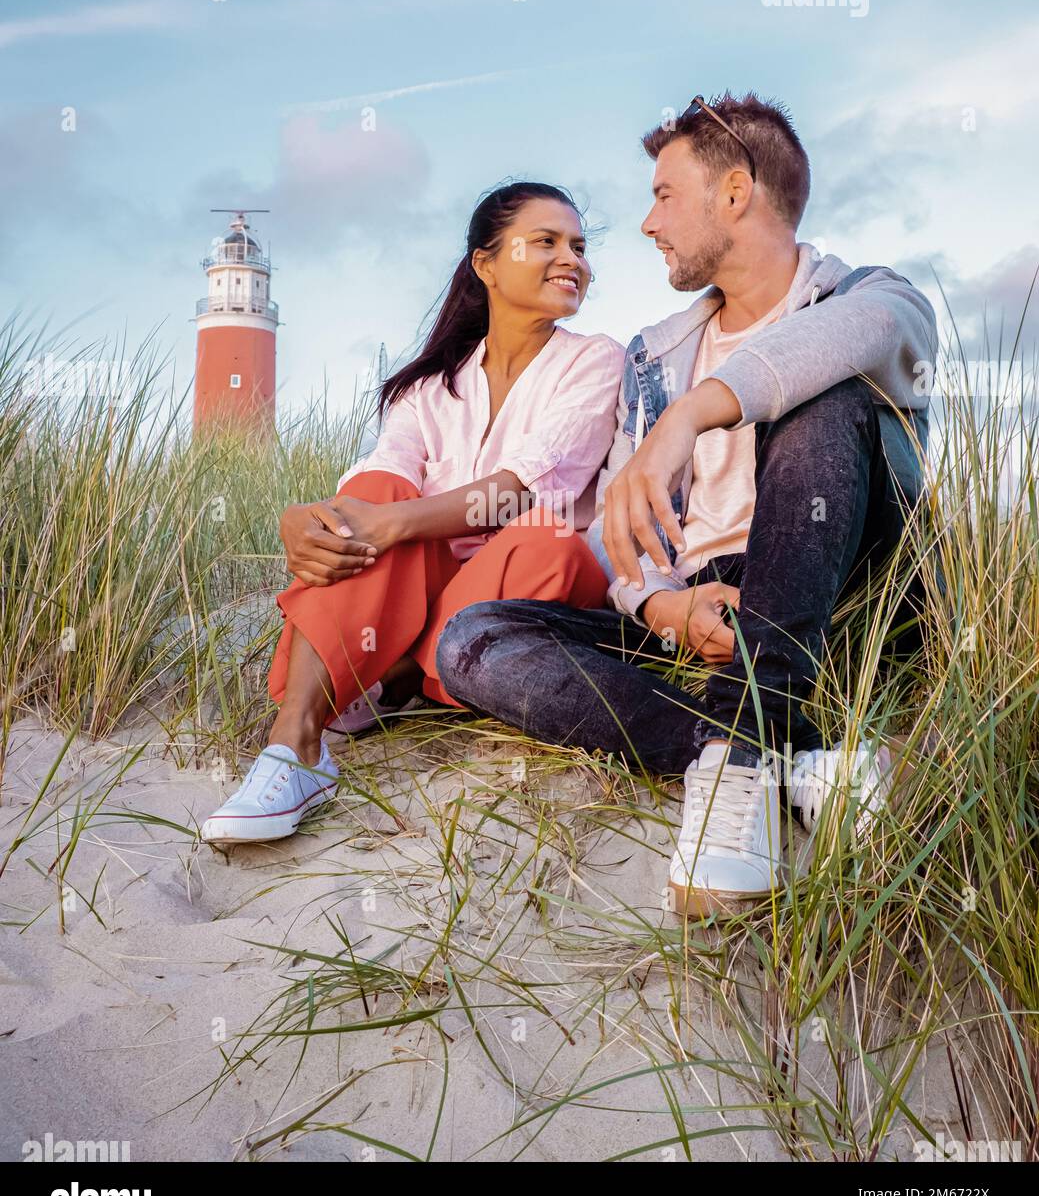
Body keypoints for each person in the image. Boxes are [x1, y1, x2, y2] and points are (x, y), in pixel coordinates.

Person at [434, 92, 938, 917]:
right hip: (706, 613)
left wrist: (692, 413)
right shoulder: (653, 355)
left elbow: (865, 337)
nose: (645, 223)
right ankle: (791, 753)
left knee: (818, 400)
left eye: (663, 195)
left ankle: (741, 756)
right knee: (474, 639)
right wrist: (667, 609)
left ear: (733, 194)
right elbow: (619, 537)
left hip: (843, 601)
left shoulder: (870, 298)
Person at [200, 181, 625, 846]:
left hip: (520, 595)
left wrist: (387, 524)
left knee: (542, 538)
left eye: (577, 245)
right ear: (485, 263)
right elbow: (377, 483)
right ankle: (295, 747)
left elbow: (518, 490)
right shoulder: (427, 388)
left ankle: (396, 673)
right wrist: (302, 519)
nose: (571, 258)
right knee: (375, 485)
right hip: (424, 595)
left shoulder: (594, 361)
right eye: (545, 241)